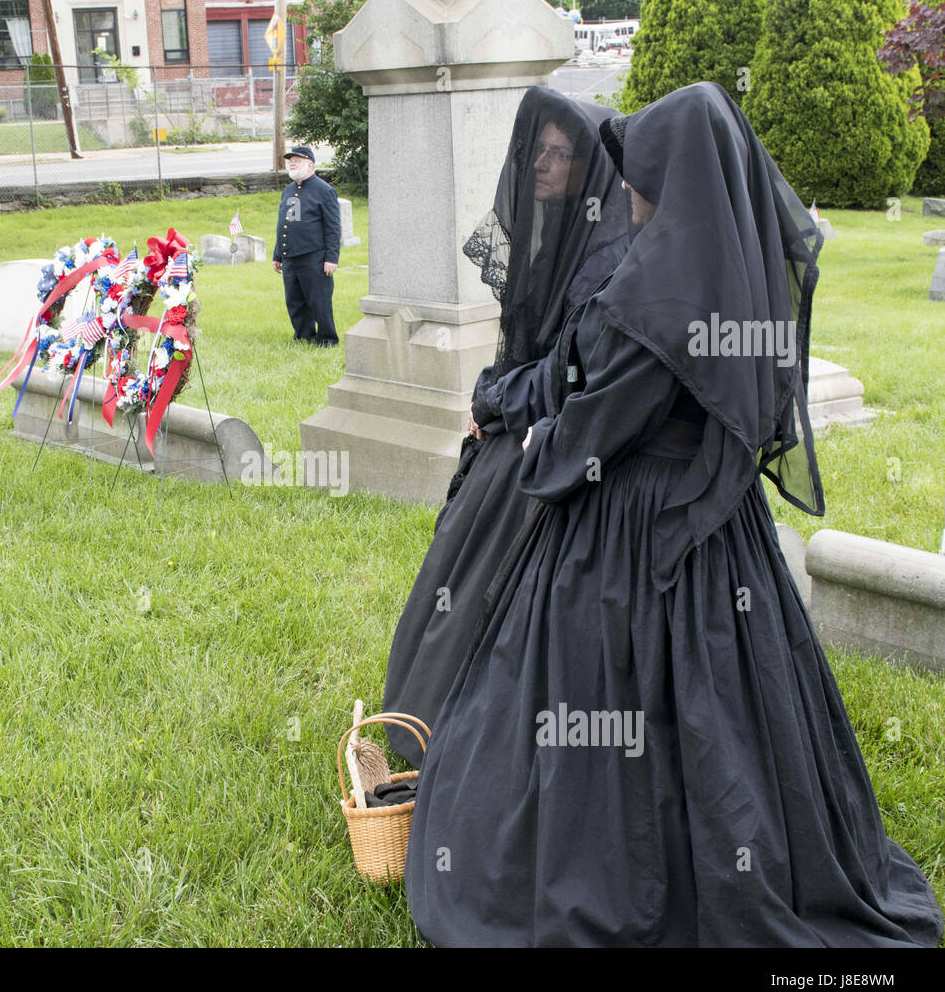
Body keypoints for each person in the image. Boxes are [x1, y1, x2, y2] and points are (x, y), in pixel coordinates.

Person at [404, 82, 944, 947]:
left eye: (637, 173)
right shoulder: (738, 267)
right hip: (721, 534)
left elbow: (593, 432)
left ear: (669, 174)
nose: (627, 191)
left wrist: (530, 447)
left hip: (625, 530)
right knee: (731, 713)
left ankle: (618, 878)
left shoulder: (648, 292)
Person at [383, 88, 629, 766]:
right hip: (516, 428)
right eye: (538, 151)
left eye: (561, 154)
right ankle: (430, 717)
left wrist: (493, 403)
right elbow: (524, 349)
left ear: (588, 171)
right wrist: (491, 399)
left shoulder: (608, 258)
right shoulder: (544, 230)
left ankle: (489, 749)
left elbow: (569, 375)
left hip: (557, 446)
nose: (545, 165)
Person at [274, 145, 341, 347]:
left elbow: (333, 227)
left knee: (319, 300)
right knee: (294, 300)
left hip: (314, 255)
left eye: (297, 160)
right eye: (290, 161)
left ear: (310, 164)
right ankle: (304, 335)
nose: (292, 163)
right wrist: (277, 254)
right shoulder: (288, 190)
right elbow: (283, 224)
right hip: (290, 255)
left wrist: (331, 258)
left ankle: (327, 338)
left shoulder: (324, 190)